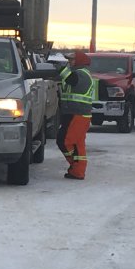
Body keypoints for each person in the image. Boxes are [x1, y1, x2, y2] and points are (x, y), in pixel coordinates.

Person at [58, 50, 96, 180]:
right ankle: (77, 170)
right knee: (77, 144)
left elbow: (71, 80)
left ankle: (76, 166)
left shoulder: (81, 74)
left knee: (65, 141)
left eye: (71, 60)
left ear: (79, 61)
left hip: (78, 114)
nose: (69, 62)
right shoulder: (77, 73)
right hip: (74, 113)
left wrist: (61, 69)